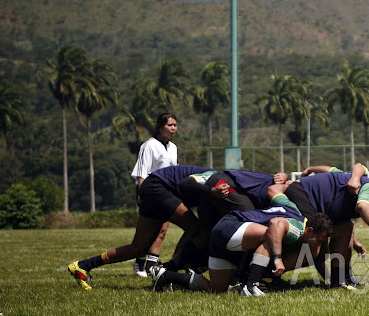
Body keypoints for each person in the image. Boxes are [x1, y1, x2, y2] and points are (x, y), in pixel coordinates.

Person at [152, 184, 332, 295]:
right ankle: (251, 286)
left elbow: (274, 191)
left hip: (223, 235)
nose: (317, 243)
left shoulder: (291, 207)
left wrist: (286, 183)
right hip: (232, 226)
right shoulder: (299, 228)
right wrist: (277, 259)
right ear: (309, 230)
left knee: (216, 289)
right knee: (270, 235)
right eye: (318, 239)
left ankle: (164, 275)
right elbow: (276, 224)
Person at [68, 165, 215, 290]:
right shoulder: (217, 179)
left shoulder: (222, 181)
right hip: (159, 187)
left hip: (153, 187)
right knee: (194, 228)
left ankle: (83, 265)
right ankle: (168, 274)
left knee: (138, 248)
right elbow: (186, 185)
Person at [284, 165, 369, 288]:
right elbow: (363, 206)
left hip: (308, 197)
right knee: (313, 246)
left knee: (345, 228)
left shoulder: (362, 179)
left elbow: (334, 170)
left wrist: (310, 169)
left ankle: (338, 280)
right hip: (303, 194)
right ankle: (270, 272)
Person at [130, 112, 179, 277]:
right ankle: (139, 262)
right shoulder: (149, 146)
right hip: (151, 192)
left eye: (175, 125)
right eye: (169, 125)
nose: (173, 128)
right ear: (160, 127)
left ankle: (151, 266)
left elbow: (174, 172)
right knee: (148, 230)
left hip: (167, 194)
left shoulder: (173, 147)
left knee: (163, 229)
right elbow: (142, 172)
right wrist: (142, 194)